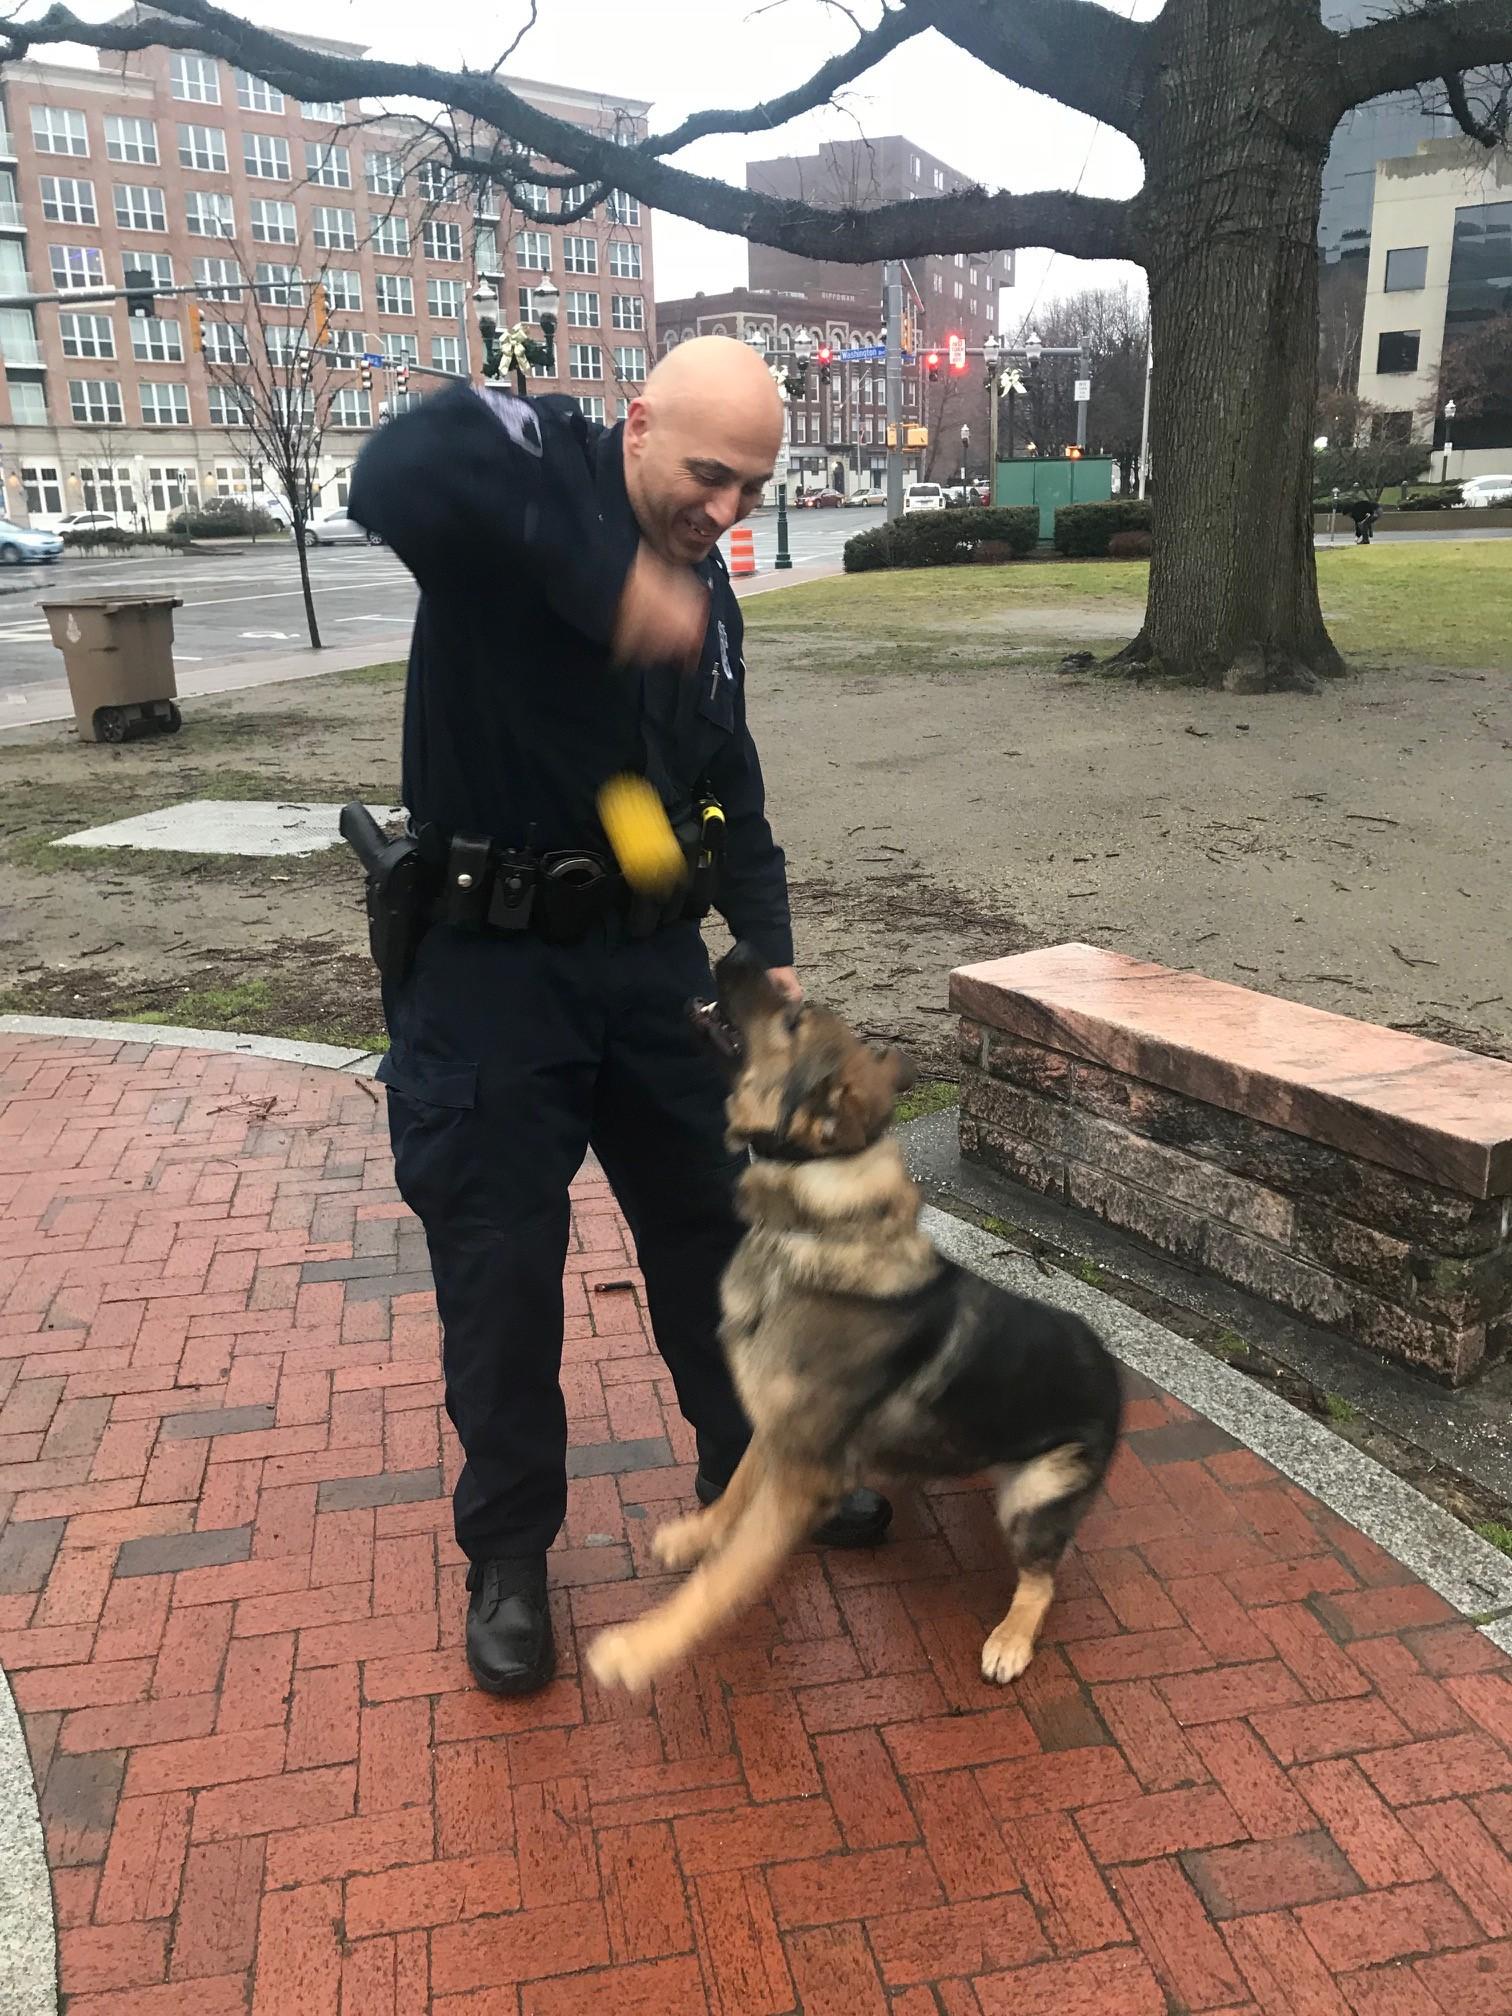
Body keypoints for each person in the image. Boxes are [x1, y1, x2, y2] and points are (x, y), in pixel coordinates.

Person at [348, 338, 891, 1697]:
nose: (724, 510)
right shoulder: (530, 485)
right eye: (709, 475)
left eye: (749, 489)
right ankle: (512, 1556)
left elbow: (731, 786)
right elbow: (395, 469)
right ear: (640, 424)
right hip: (490, 973)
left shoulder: (711, 592)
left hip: (647, 969)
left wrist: (762, 956)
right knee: (506, 1276)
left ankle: (749, 1472)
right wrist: (606, 583)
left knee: (718, 1239)